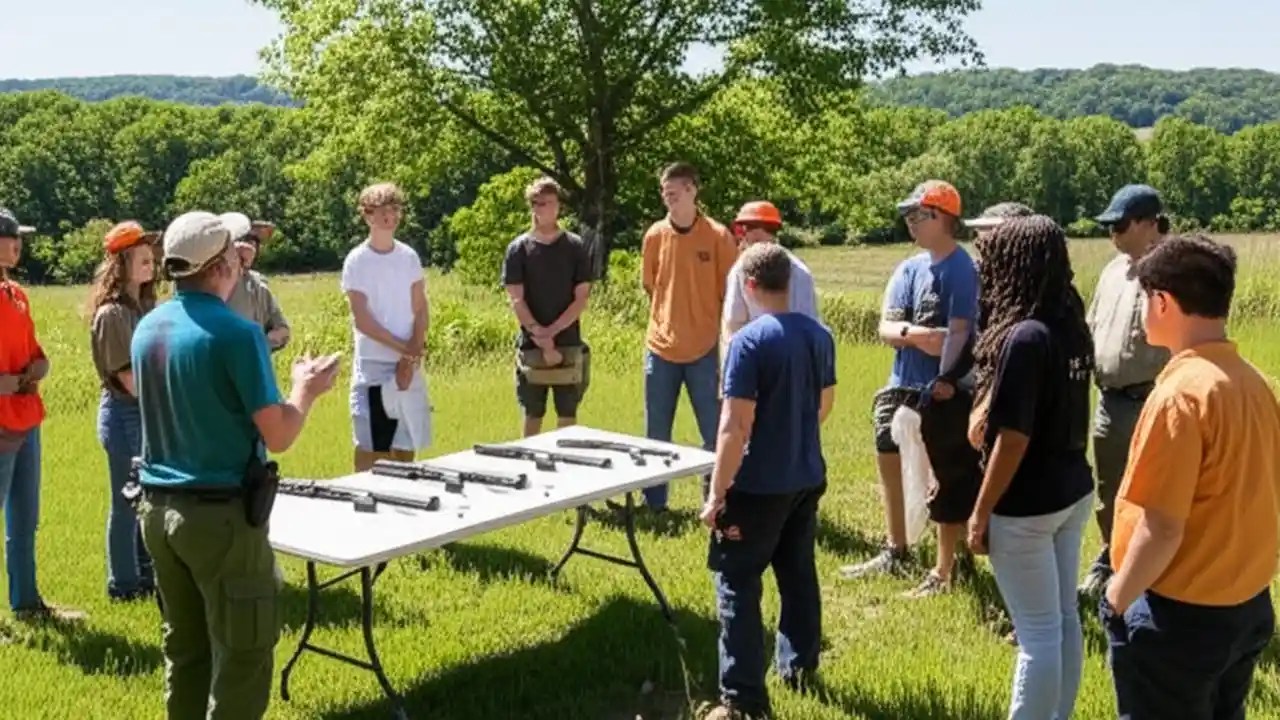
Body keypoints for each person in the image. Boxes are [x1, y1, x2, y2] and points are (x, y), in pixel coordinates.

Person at [133, 210, 340, 720]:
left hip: (157, 512)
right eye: (235, 254)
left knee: (186, 652)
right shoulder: (237, 334)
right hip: (219, 517)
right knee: (244, 656)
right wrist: (306, 389)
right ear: (223, 264)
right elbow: (280, 433)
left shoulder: (148, 327)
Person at [1102, 234, 1279, 720]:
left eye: (1144, 298)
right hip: (1247, 606)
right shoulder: (1255, 383)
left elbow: (1162, 526)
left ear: (1161, 301)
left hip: (1180, 615)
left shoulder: (1180, 395)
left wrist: (1117, 597)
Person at [964, 216, 1095, 720]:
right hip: (1072, 490)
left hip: (1028, 505)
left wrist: (981, 513)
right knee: (1062, 620)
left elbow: (1013, 440)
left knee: (1037, 633)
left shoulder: (1023, 337)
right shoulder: (1070, 323)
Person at [700, 242, 836, 720]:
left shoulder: (748, 342)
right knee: (797, 571)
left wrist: (717, 493)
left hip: (757, 484)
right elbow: (825, 404)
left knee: (736, 581)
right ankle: (799, 666)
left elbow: (733, 427)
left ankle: (741, 699)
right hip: (805, 474)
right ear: (788, 282)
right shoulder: (820, 336)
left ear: (747, 284)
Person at [840, 180, 982, 600]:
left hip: (941, 392)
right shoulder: (907, 269)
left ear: (940, 217)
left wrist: (933, 356)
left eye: (916, 216)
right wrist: (917, 333)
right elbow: (887, 329)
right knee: (889, 460)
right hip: (899, 387)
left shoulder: (962, 269)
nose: (909, 224)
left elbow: (957, 336)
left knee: (943, 473)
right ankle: (896, 547)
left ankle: (950, 564)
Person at [1078, 184, 1171, 598]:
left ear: (1150, 225)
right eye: (1109, 225)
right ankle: (1112, 560)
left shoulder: (1174, 272)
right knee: (1110, 491)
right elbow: (1091, 326)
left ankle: (1157, 575)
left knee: (1157, 495)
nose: (1112, 234)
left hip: (1153, 400)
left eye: (1119, 224)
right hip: (1110, 402)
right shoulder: (1114, 271)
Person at [0, 208, 83, 622]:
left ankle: (27, 603)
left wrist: (39, 369)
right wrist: (9, 384)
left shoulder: (17, 294)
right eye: (11, 236)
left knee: (25, 516)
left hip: (26, 417)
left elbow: (35, 352)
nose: (18, 244)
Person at [641, 162, 739, 510]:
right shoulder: (654, 235)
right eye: (664, 192)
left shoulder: (717, 236)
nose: (668, 197)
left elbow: (729, 294)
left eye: (675, 191)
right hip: (660, 348)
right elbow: (651, 286)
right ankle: (654, 504)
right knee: (656, 432)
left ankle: (716, 500)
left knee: (714, 431)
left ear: (693, 190)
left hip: (704, 350)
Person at [88, 220, 161, 602]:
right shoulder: (112, 315)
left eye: (151, 254)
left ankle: (145, 575)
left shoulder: (147, 307)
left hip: (145, 411)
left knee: (145, 497)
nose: (150, 260)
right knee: (125, 502)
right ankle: (124, 585)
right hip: (125, 413)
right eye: (141, 254)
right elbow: (129, 379)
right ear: (122, 261)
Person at [341, 182, 432, 471]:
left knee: (405, 446)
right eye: (382, 211)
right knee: (372, 446)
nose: (390, 216)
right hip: (373, 365)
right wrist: (405, 350)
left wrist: (411, 355)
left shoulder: (408, 257)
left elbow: (420, 307)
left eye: (395, 209)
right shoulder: (357, 260)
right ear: (367, 216)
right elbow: (363, 321)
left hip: (407, 363)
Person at [501, 176, 593, 437]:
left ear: (558, 206)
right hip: (531, 344)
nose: (543, 208)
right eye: (537, 203)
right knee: (533, 413)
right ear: (532, 208)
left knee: (567, 414)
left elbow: (581, 298)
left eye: (548, 202)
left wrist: (552, 333)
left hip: (568, 342)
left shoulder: (575, 247)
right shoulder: (518, 249)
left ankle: (567, 467)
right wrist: (540, 336)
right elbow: (516, 298)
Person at [721, 200, 819, 350]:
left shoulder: (741, 269)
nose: (743, 236)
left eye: (746, 229)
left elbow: (733, 320)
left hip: (755, 353)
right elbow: (809, 321)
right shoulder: (799, 269)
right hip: (793, 354)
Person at [221, 213, 291, 353]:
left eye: (253, 241)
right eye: (244, 239)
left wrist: (261, 344)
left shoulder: (258, 285)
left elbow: (282, 329)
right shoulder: (210, 285)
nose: (249, 246)